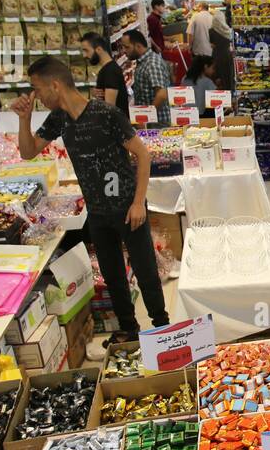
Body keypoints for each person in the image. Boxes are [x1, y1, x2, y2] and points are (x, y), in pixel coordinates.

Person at [12, 57, 168, 344]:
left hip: (126, 207)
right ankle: (129, 329)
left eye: (37, 88)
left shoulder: (106, 114)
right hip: (96, 212)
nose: (35, 96)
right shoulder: (59, 118)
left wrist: (138, 203)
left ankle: (162, 329)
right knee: (113, 276)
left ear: (55, 85)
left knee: (146, 271)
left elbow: (143, 155)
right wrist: (24, 120)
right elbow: (28, 151)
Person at [123, 30, 171, 126]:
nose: (124, 50)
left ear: (138, 46)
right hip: (150, 123)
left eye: (127, 47)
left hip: (157, 124)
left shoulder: (152, 63)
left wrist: (146, 117)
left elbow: (161, 94)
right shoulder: (144, 62)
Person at [82, 32, 128, 116]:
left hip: (116, 126)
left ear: (99, 49)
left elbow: (109, 109)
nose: (84, 55)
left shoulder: (110, 71)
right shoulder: (107, 69)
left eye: (86, 50)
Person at [208, 7, 235, 95]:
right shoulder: (228, 30)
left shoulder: (211, 31)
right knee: (228, 75)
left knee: (218, 76)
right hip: (227, 55)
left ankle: (218, 97)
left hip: (217, 55)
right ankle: (229, 94)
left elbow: (212, 45)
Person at [187, 1, 213, 69]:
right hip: (210, 52)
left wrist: (189, 47)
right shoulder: (213, 17)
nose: (197, 8)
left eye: (198, 6)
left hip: (198, 51)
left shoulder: (195, 16)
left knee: (198, 71)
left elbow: (190, 34)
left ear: (201, 7)